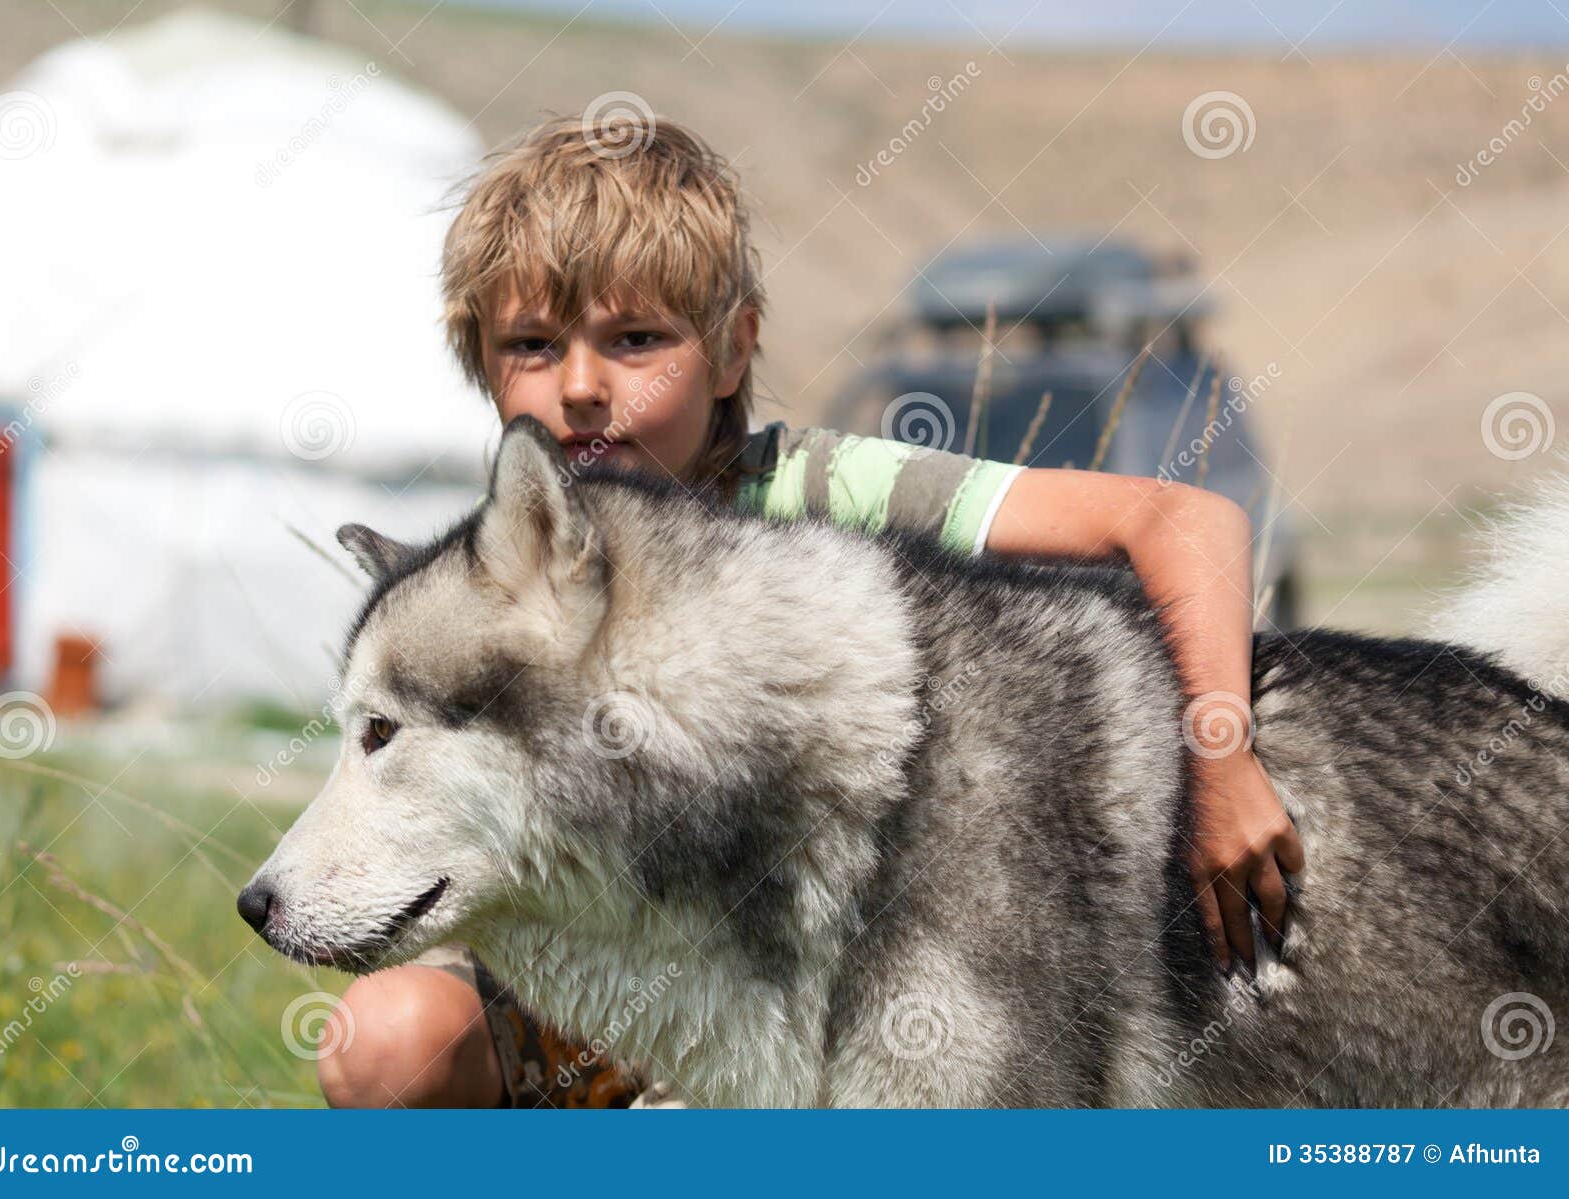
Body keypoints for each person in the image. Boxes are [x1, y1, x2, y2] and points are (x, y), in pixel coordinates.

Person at [314, 112, 1303, 1109]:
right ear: (481, 363)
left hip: (802, 994)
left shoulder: (825, 497)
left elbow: (1183, 519)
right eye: (531, 345)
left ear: (732, 350)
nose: (580, 387)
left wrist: (1220, 760)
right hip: (567, 1004)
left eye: (636, 340)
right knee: (386, 1042)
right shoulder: (495, 567)